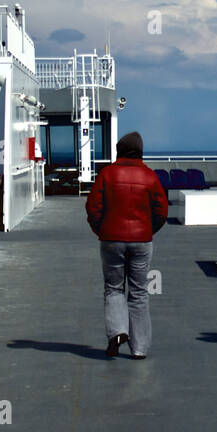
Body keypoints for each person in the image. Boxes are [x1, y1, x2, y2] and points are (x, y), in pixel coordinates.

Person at [85, 132, 168, 359]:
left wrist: (101, 230)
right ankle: (140, 348)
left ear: (119, 150)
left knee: (113, 288)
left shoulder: (107, 174)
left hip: (111, 240)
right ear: (140, 151)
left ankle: (118, 331)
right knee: (139, 292)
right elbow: (161, 211)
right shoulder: (150, 176)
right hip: (142, 241)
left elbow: (93, 207)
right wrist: (148, 230)